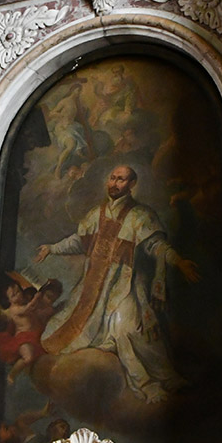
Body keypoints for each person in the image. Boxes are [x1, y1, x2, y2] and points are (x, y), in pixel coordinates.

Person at [35, 165, 199, 402]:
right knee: (111, 329)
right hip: (92, 289)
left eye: (121, 180)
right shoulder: (95, 214)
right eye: (112, 178)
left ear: (131, 184)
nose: (114, 183)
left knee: (130, 328)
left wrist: (179, 261)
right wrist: (51, 248)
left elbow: (157, 246)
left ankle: (167, 377)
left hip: (125, 287)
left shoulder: (140, 216)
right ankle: (148, 386)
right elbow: (78, 242)